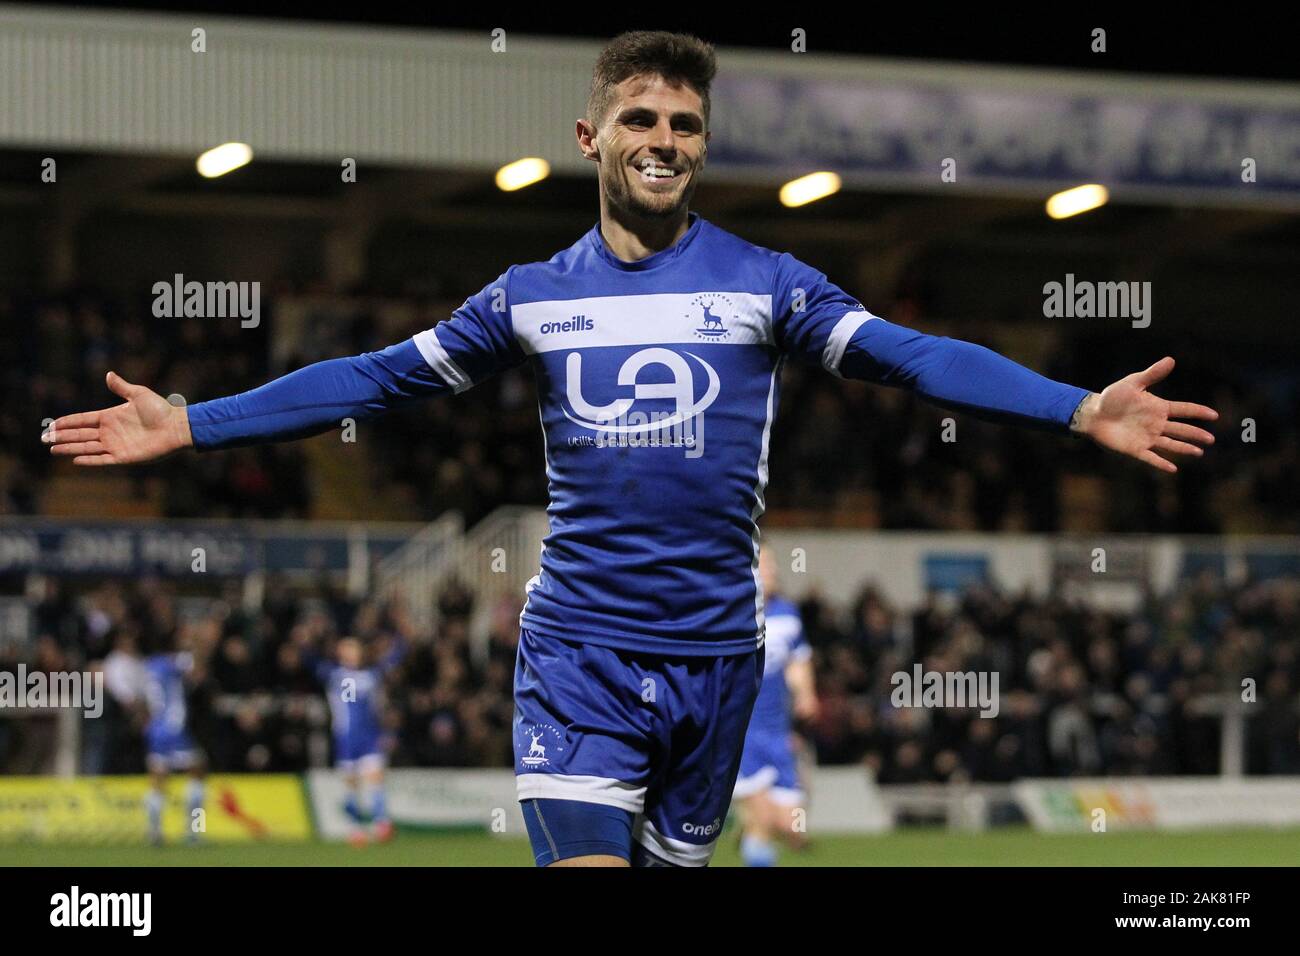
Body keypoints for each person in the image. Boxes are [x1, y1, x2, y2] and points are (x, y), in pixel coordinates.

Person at [44, 31, 1218, 867]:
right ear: (591, 133)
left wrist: (1076, 407)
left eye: (686, 124)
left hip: (717, 666)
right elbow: (373, 379)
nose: (664, 140)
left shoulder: (767, 283)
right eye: (642, 118)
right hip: (580, 656)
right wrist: (193, 419)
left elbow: (911, 356)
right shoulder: (528, 297)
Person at [733, 548, 816, 866]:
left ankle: (748, 830)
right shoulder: (733, 612)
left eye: (773, 564)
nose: (771, 570)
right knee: (765, 822)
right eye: (763, 563)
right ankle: (754, 832)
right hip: (744, 731)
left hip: (778, 731)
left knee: (794, 828)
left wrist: (807, 694)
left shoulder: (788, 613)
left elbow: (798, 660)